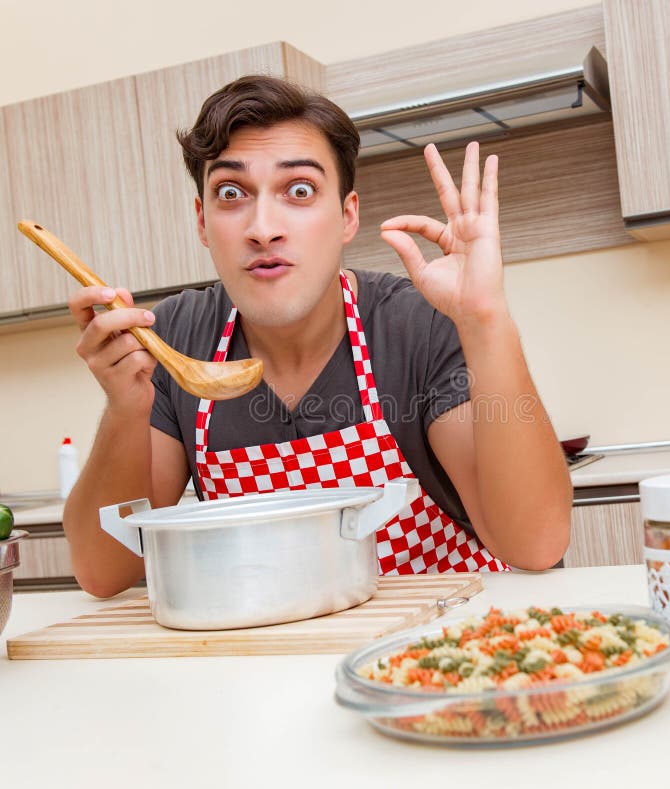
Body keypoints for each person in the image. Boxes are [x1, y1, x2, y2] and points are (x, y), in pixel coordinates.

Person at [63, 75, 572, 597]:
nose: (263, 227)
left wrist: (486, 318)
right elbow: (106, 573)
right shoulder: (176, 339)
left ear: (347, 215)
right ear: (201, 220)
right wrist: (126, 406)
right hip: (272, 658)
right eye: (231, 193)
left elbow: (534, 545)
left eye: (299, 191)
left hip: (433, 654)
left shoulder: (414, 326)